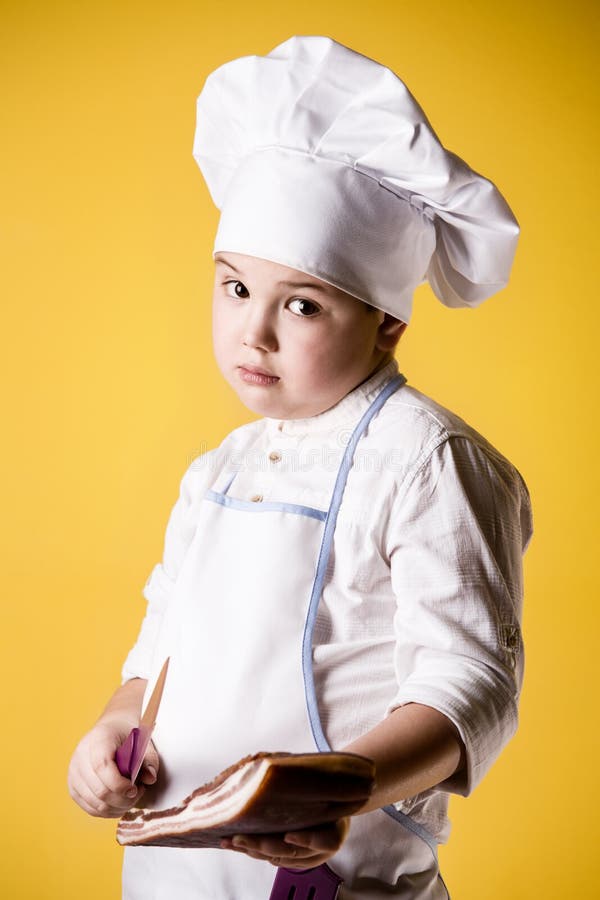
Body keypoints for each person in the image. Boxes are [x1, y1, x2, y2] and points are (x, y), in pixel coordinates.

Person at [68, 35, 533, 899]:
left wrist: (343, 787)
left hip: (334, 878)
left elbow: (471, 683)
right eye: (235, 288)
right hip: (175, 875)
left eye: (304, 304)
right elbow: (159, 654)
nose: (255, 333)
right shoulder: (217, 471)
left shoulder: (429, 460)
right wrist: (112, 731)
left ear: (388, 321)